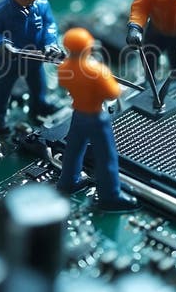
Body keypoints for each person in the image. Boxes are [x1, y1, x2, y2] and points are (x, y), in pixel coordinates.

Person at [55, 28, 137, 212]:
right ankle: (110, 196)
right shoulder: (97, 71)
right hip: (96, 117)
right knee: (106, 157)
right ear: (88, 48)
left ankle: (68, 182)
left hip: (77, 114)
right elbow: (113, 93)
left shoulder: (64, 68)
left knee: (73, 151)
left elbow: (63, 85)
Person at [0, 0, 61, 136]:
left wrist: (50, 44)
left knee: (39, 84)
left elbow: (50, 25)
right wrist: (2, 45)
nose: (33, 0)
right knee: (1, 90)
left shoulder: (42, 5)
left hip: (35, 57)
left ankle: (39, 106)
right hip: (9, 61)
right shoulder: (0, 11)